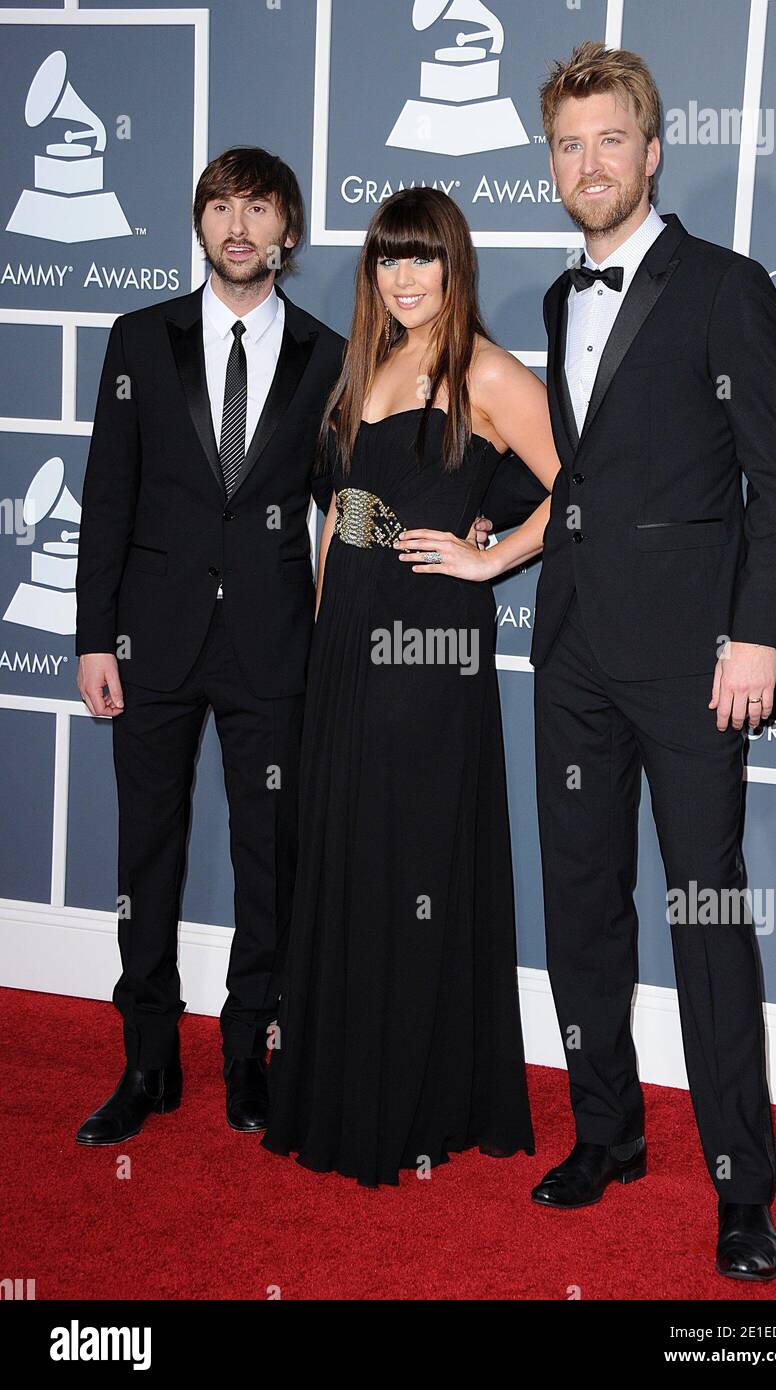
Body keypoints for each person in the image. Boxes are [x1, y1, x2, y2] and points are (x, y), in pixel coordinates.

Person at [530, 43, 776, 1281]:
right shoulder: (554, 297)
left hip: (697, 661)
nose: (588, 164)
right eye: (567, 145)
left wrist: (755, 633)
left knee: (704, 917)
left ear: (652, 150)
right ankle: (607, 1134)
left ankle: (741, 1187)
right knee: (584, 908)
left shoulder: (726, 285)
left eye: (609, 141)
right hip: (576, 650)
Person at [260, 187, 559, 1187]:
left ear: (453, 264)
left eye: (422, 258)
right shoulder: (366, 363)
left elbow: (580, 483)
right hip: (347, 636)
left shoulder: (479, 364)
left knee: (410, 853)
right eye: (389, 258)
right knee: (352, 844)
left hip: (430, 643)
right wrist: (317, 633)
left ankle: (419, 1098)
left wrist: (492, 558)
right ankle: (345, 1077)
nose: (404, 276)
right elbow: (346, 515)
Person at [73, 147, 349, 1143]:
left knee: (266, 856)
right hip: (150, 640)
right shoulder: (139, 338)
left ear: (288, 230)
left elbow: (344, 503)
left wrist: (441, 536)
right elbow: (107, 497)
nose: (238, 225)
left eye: (258, 208)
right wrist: (93, 635)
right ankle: (148, 1061)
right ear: (200, 224)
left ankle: (248, 1054)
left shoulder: (328, 354)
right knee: (148, 852)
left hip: (274, 647)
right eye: (220, 207)